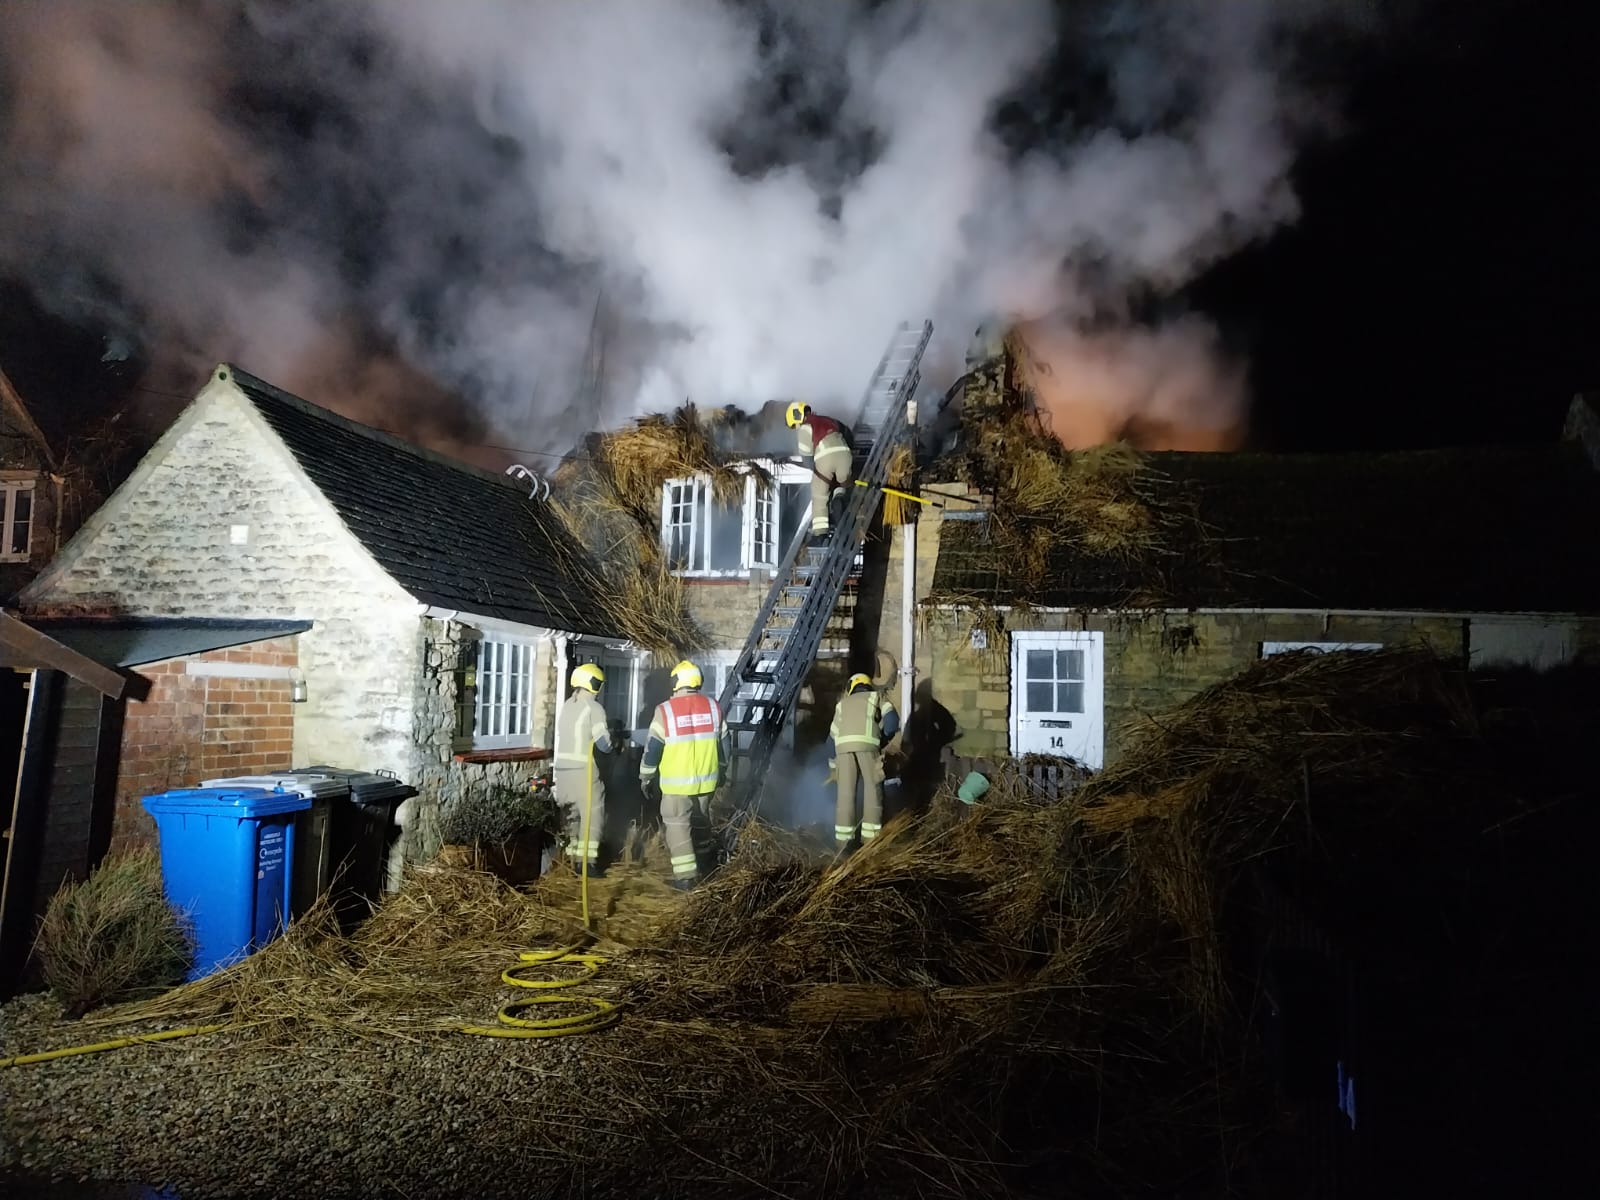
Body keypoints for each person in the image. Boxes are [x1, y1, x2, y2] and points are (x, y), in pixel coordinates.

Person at [639, 659, 728, 890]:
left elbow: (653, 749)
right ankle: (707, 868)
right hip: (706, 783)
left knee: (678, 829)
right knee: (701, 824)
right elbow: (724, 745)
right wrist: (723, 770)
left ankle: (686, 879)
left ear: (675, 683)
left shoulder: (665, 711)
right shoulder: (713, 707)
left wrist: (646, 777)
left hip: (676, 787)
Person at [554, 663, 613, 874]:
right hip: (583, 772)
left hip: (562, 772)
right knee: (592, 815)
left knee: (572, 818)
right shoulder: (594, 708)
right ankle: (587, 864)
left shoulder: (567, 705)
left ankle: (571, 860)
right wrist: (614, 744)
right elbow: (604, 744)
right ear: (595, 683)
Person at [828, 672, 898, 850]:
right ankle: (870, 842)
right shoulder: (877, 696)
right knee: (872, 789)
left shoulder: (841, 704)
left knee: (845, 794)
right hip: (868, 746)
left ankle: (843, 844)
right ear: (869, 685)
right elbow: (892, 722)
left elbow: (832, 737)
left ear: (850, 688)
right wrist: (881, 741)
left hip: (843, 749)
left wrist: (833, 766)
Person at [786, 401, 853, 539]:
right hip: (845, 454)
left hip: (825, 457)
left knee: (819, 495)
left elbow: (807, 459)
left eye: (794, 425)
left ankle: (820, 533)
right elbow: (848, 433)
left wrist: (819, 474)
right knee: (841, 483)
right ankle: (839, 499)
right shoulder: (828, 420)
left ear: (797, 418)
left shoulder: (804, 429)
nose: (796, 428)